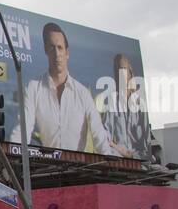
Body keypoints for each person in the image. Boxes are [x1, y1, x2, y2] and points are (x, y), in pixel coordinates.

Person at [21, 22, 118, 154]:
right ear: (45, 50)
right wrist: (15, 154)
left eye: (60, 48)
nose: (57, 54)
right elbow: (23, 129)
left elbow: (98, 134)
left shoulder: (82, 93)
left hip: (78, 168)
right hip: (45, 165)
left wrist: (109, 163)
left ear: (67, 52)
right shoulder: (33, 87)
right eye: (52, 48)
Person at [99, 54, 148, 159]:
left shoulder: (141, 104)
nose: (121, 73)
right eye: (118, 70)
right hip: (117, 155)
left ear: (130, 73)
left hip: (139, 158)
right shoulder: (112, 101)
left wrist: (134, 156)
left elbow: (146, 142)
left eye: (124, 69)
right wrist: (118, 149)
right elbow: (106, 133)